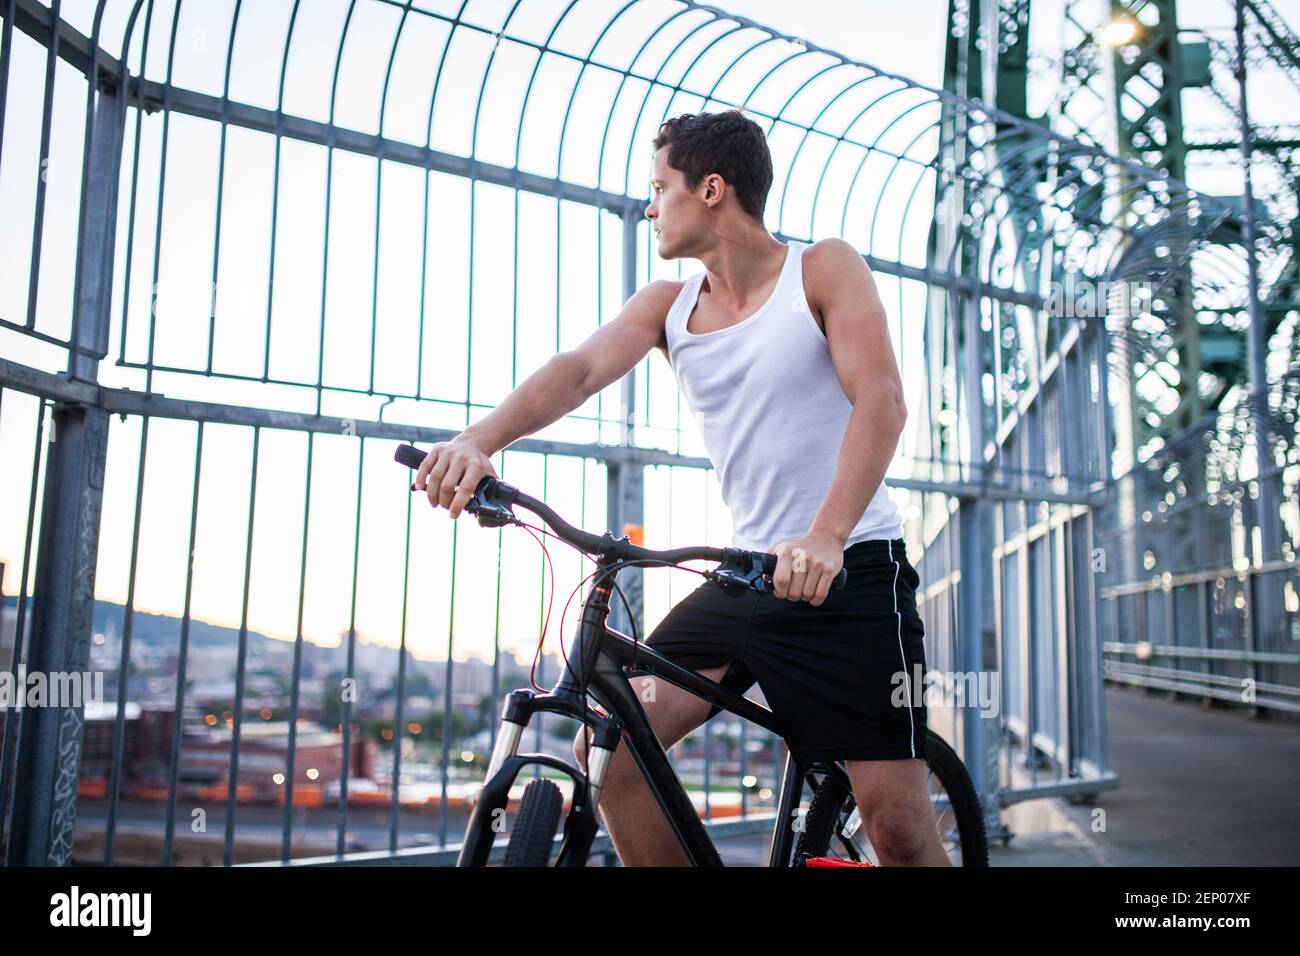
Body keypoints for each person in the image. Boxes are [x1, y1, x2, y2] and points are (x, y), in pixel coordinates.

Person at [413, 108, 949, 867]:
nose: (649, 204)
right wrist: (477, 440)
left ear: (711, 189)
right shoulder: (668, 306)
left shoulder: (821, 268)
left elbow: (883, 401)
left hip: (848, 571)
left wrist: (827, 532)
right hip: (743, 580)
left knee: (894, 824)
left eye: (658, 187)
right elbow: (579, 370)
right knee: (618, 754)